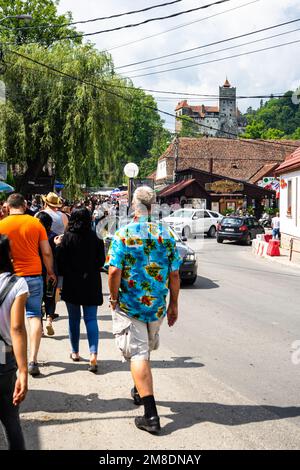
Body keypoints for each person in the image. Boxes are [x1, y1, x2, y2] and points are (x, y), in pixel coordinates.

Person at [106, 186, 182, 434]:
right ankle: (139, 390)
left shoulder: (124, 234)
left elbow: (114, 271)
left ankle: (151, 415)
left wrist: (114, 298)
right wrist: (173, 305)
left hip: (131, 306)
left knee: (138, 354)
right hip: (157, 306)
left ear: (133, 205)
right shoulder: (167, 234)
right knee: (144, 351)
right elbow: (174, 274)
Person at [0, 193, 56, 377]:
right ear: (24, 205)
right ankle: (32, 360)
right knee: (34, 316)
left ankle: (8, 357)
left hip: (9, 278)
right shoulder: (36, 223)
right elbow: (46, 252)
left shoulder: (2, 224)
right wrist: (50, 272)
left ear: (7, 206)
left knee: (7, 320)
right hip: (33, 276)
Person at [56, 207, 105, 373]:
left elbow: (60, 264)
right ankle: (93, 355)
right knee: (91, 319)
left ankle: (75, 352)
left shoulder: (67, 238)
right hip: (91, 282)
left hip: (72, 283)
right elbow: (101, 261)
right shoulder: (96, 237)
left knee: (73, 319)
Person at [0, 235, 28, 449]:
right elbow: (17, 328)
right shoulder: (17, 284)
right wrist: (23, 370)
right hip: (4, 356)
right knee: (10, 420)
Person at [36, 211, 58, 336]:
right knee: (50, 298)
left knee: (37, 301)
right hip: (51, 273)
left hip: (37, 272)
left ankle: (41, 328)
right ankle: (49, 319)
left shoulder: (35, 236)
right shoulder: (54, 237)